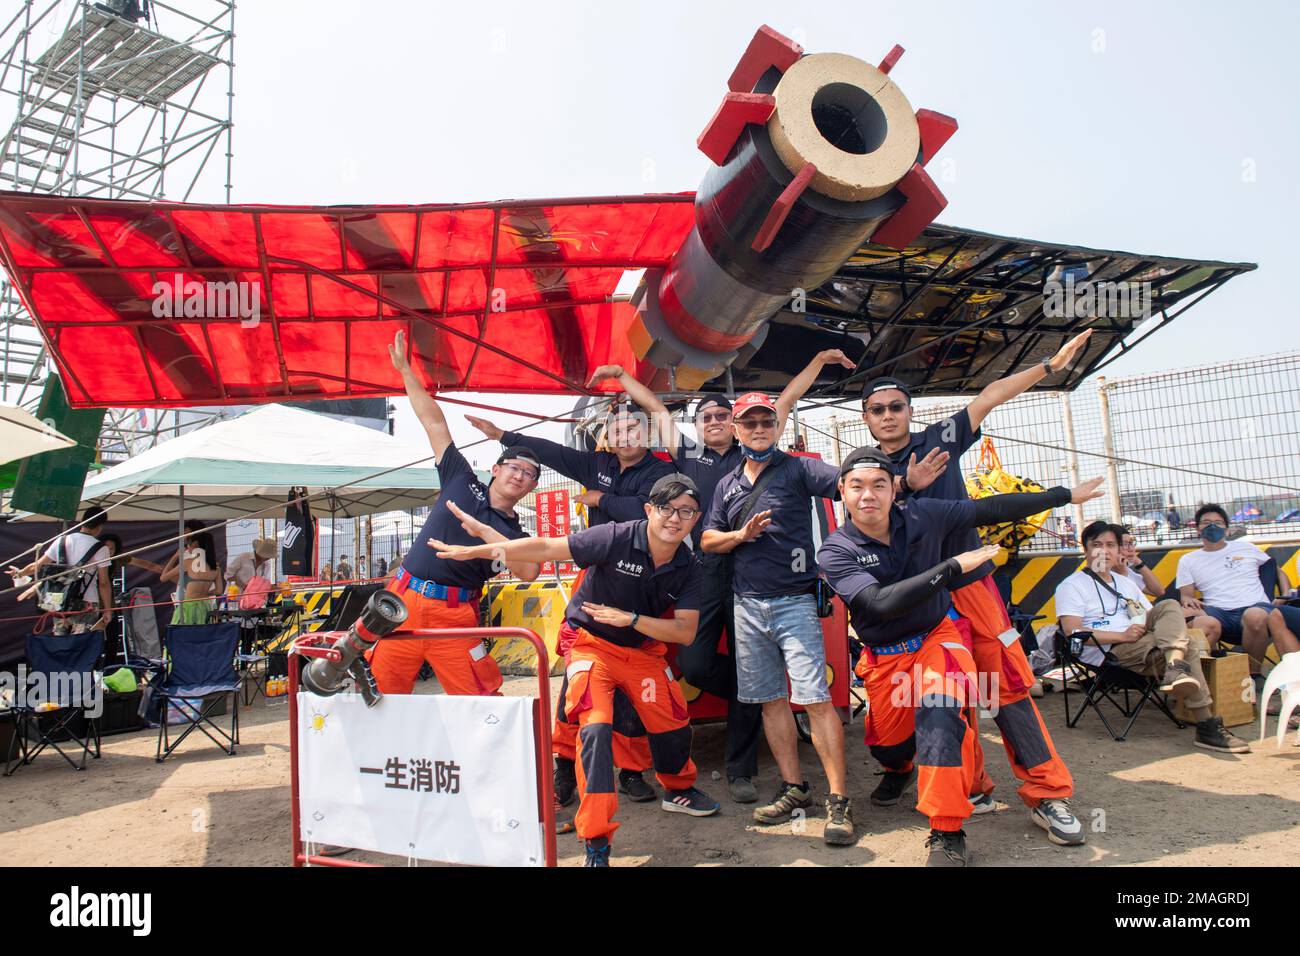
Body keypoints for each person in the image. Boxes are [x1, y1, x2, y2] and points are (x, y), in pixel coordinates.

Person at [583, 352, 851, 803]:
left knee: (752, 676)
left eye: (722, 416)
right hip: (706, 567)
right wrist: (622, 375)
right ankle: (763, 692)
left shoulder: (763, 454)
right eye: (706, 416)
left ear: (736, 423)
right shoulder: (690, 455)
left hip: (755, 573)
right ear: (699, 423)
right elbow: (655, 410)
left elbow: (788, 397)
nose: (714, 421)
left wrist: (820, 360)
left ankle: (740, 770)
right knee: (698, 664)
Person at [860, 328, 1091, 846]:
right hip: (917, 598)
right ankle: (973, 788)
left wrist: (1048, 366)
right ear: (867, 418)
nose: (889, 415)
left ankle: (1047, 794)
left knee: (1006, 689)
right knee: (945, 698)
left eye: (897, 406)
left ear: (909, 410)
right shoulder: (867, 468)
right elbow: (859, 518)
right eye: (878, 409)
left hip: (972, 588)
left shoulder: (940, 438)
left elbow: (988, 396)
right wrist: (905, 486)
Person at [819, 447, 1104, 864]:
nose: (868, 495)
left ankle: (947, 830)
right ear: (841, 490)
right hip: (886, 659)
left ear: (893, 489)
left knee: (943, 709)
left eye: (879, 484)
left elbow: (991, 508)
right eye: (857, 485)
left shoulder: (923, 514)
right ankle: (901, 770)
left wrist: (1064, 495)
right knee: (890, 747)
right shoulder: (835, 550)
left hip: (939, 638)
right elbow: (878, 603)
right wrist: (951, 567)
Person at [431, 473, 719, 866]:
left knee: (670, 717)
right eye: (667, 509)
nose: (675, 518)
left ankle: (678, 788)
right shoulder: (615, 536)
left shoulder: (689, 567)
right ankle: (596, 839)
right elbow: (548, 546)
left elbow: (684, 633)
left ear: (696, 517)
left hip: (641, 648)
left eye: (686, 512)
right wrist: (482, 546)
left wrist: (629, 619)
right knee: (594, 727)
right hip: (589, 645)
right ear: (650, 510)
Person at [466, 399, 675, 806]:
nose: (625, 436)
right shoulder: (596, 465)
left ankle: (632, 770)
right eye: (617, 430)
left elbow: (649, 510)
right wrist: (502, 436)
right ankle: (564, 766)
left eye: (633, 428)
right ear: (608, 437)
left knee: (637, 677)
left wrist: (601, 501)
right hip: (595, 580)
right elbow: (551, 453)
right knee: (576, 677)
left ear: (646, 433)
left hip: (643, 585)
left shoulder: (663, 470)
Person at [701, 373, 858, 847]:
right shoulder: (726, 484)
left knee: (814, 700)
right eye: (748, 422)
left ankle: (838, 801)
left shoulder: (799, 469)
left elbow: (849, 483)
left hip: (794, 603)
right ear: (735, 428)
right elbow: (708, 539)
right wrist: (740, 537)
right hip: (746, 607)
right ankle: (795, 788)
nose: (757, 428)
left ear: (776, 425)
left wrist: (888, 480)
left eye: (765, 420)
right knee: (770, 701)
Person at [366, 330, 542, 697]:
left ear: (532, 486)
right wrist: (404, 371)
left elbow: (529, 569)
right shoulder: (461, 479)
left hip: (456, 616)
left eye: (529, 474)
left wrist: (484, 533)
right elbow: (434, 423)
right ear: (496, 469)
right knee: (377, 696)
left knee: (481, 701)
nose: (520, 475)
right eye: (514, 467)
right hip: (402, 603)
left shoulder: (516, 534)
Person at [1057, 521, 1250, 753]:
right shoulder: (1072, 586)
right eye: (1096, 545)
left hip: (1141, 638)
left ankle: (1175, 667)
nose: (1104, 551)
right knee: (1187, 643)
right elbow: (1073, 633)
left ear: (1119, 551)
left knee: (1168, 604)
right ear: (1086, 550)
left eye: (1110, 545)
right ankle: (1205, 723)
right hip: (1108, 649)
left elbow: (1150, 615)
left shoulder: (1124, 583)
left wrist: (1155, 626)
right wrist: (1122, 635)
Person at [1176, 503, 1300, 706]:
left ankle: (1253, 674)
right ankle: (1204, 679)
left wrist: (1285, 593)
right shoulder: (1189, 560)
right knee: (1202, 623)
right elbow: (1187, 596)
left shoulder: (1247, 548)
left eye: (1217, 523)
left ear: (1226, 528)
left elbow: (1276, 570)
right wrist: (1187, 599)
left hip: (1256, 607)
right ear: (1197, 529)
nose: (1212, 527)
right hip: (1218, 612)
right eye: (1206, 523)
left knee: (1255, 615)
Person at [8, 506, 114, 635]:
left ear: (83, 521)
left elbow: (37, 566)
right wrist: (108, 609)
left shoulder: (61, 540)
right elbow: (104, 583)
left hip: (60, 601)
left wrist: (19, 573)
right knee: (81, 643)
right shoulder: (101, 548)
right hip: (86, 601)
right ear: (100, 526)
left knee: (60, 643)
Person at [161, 522, 221, 624]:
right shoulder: (216, 566)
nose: (187, 547)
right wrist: (205, 593)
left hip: (188, 608)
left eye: (188, 544)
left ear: (195, 545)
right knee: (203, 637)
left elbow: (163, 577)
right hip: (205, 607)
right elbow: (219, 591)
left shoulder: (188, 562)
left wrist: (175, 556)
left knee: (183, 637)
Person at [1119, 527, 1164, 598]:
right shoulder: (1106, 574)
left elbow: (1159, 591)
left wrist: (1138, 562)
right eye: (1125, 544)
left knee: (1170, 603)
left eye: (1131, 543)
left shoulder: (1128, 572)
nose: (1131, 549)